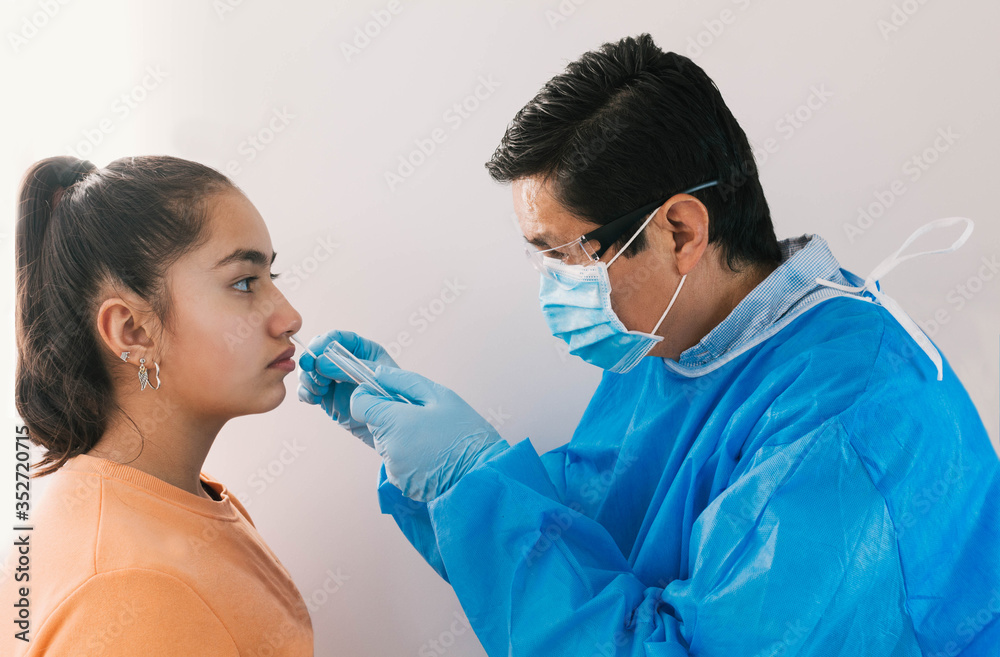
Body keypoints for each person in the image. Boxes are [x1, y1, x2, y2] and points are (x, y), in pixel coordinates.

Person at [297, 34, 1000, 655]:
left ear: (682, 232)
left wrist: (471, 480)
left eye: (566, 254)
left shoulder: (848, 419)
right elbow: (587, 544)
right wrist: (441, 474)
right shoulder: (672, 345)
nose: (553, 285)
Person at [3, 155, 313, 656]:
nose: (289, 317)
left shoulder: (182, 501)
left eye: (271, 276)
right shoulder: (130, 586)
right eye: (244, 282)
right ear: (133, 330)